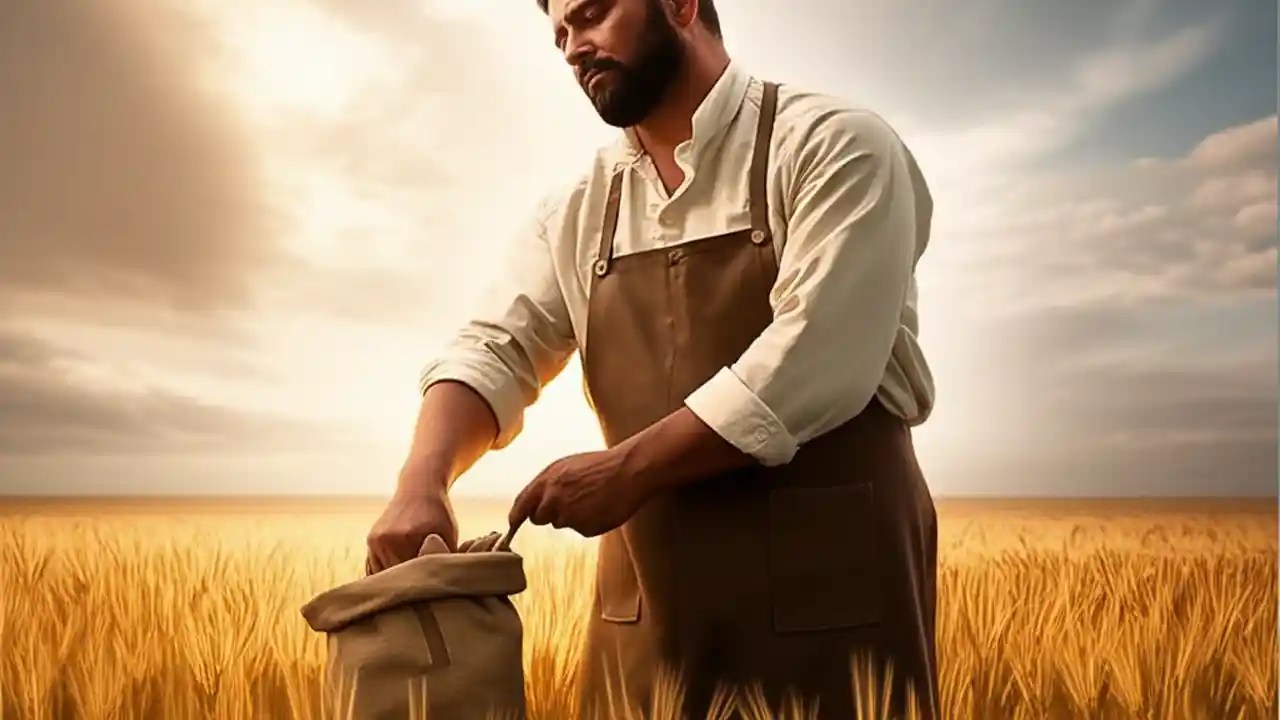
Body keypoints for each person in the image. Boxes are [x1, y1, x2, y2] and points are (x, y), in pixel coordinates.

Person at [365, 0, 940, 717]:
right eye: (562, 33)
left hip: (832, 621)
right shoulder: (576, 210)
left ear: (679, 4)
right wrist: (423, 480)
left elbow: (821, 353)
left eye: (594, 13)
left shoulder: (833, 145)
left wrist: (626, 470)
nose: (575, 46)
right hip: (647, 631)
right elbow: (494, 347)